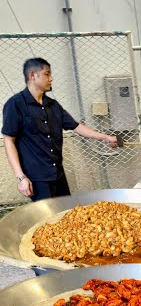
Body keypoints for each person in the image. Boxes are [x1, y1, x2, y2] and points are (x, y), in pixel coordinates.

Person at [3, 57, 118, 200]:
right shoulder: (15, 104)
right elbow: (8, 141)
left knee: (66, 214)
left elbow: (77, 127)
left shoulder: (53, 105)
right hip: (37, 178)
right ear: (32, 75)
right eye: (47, 74)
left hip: (58, 173)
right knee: (46, 218)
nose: (51, 79)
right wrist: (21, 178)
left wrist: (105, 137)